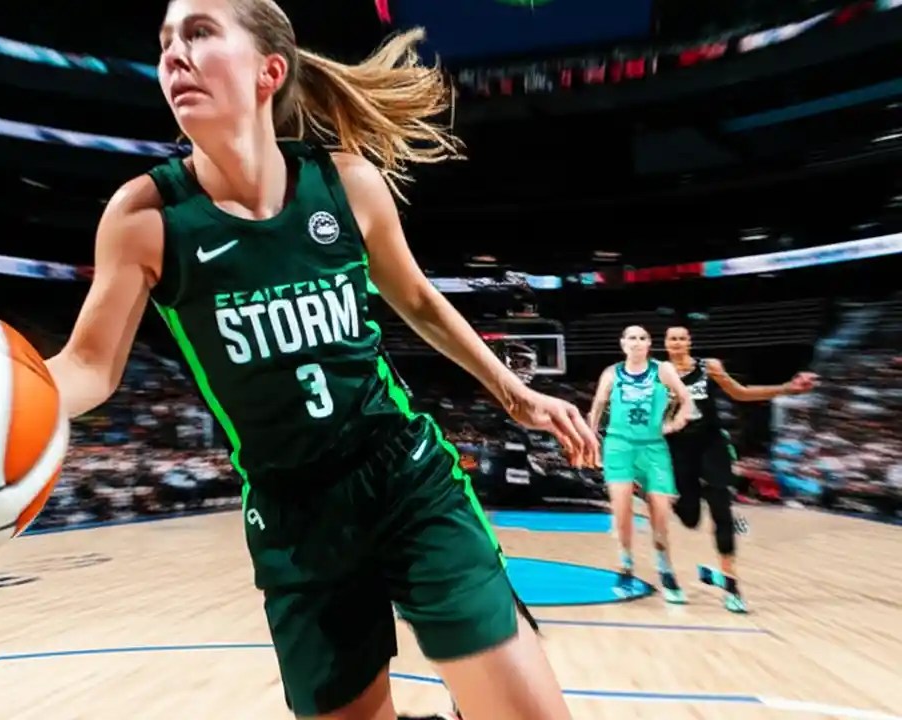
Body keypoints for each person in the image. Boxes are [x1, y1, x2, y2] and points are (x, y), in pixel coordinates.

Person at [44, 1, 601, 717]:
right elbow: (89, 367)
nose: (174, 55)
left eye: (200, 32)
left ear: (268, 71)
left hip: (402, 474)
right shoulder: (145, 215)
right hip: (293, 514)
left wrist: (515, 392)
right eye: (165, 42)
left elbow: (418, 300)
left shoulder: (346, 184)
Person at [663, 325, 817, 613]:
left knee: (721, 509)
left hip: (711, 445)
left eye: (682, 338)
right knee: (690, 518)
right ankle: (684, 513)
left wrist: (787, 388)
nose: (678, 342)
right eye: (673, 338)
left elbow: (741, 393)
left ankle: (732, 587)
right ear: (666, 343)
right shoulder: (658, 373)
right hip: (678, 449)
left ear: (689, 342)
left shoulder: (709, 367)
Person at [587, 326, 694, 604]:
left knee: (660, 511)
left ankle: (665, 566)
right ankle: (625, 564)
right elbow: (597, 408)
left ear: (649, 344)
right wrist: (590, 441)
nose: (636, 342)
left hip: (653, 447)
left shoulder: (663, 370)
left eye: (642, 338)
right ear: (623, 343)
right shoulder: (611, 374)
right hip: (619, 445)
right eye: (631, 338)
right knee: (622, 510)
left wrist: (676, 422)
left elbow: (686, 399)